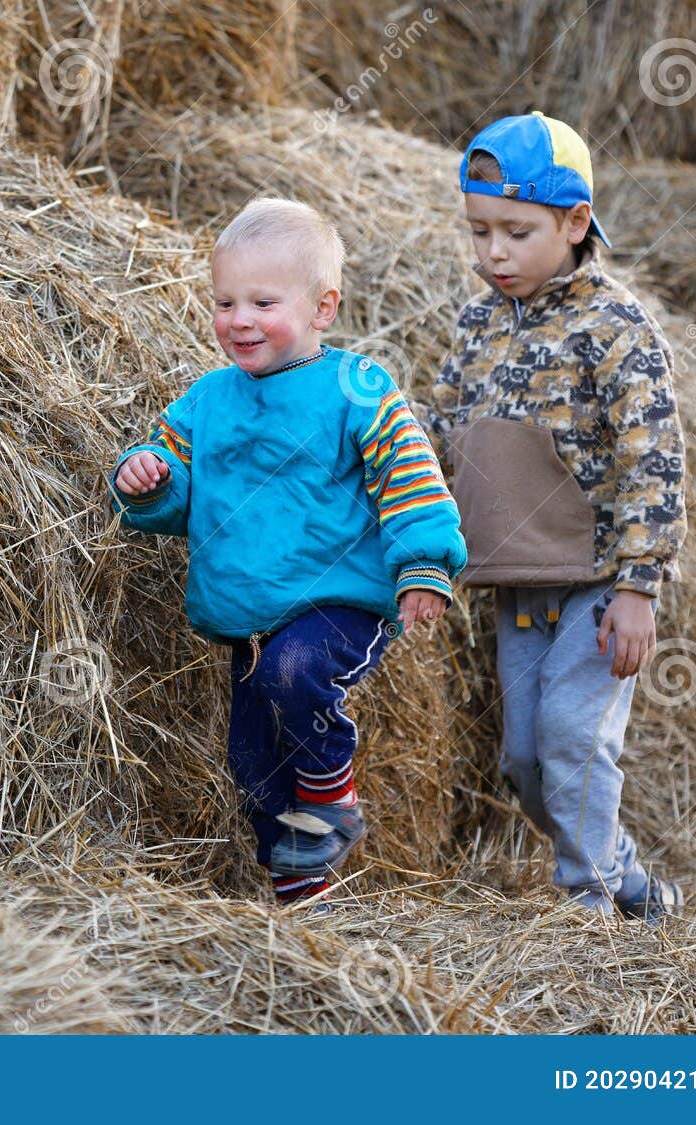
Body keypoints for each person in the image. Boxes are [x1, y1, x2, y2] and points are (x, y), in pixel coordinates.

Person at [111, 197, 466, 906]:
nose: (239, 319)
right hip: (248, 622)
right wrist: (147, 479)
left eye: (262, 302)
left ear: (322, 307)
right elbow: (180, 492)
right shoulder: (205, 402)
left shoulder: (354, 389)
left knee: (296, 670)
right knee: (252, 761)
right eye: (225, 302)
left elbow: (409, 472)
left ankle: (333, 798)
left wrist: (422, 563)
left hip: (338, 603)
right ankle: (304, 895)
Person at [429, 112, 688, 924]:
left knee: (576, 737)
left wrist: (639, 586)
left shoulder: (614, 327)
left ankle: (588, 900)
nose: (493, 253)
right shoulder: (475, 327)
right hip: (518, 581)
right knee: (526, 760)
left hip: (598, 581)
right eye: (479, 232)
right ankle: (623, 872)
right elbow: (439, 436)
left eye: (515, 231)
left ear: (575, 223)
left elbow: (654, 460)